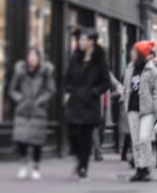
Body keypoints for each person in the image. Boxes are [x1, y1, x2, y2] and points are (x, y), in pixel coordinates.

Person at [64, 29, 111, 180]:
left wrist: (94, 92)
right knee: (72, 133)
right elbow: (67, 76)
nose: (80, 42)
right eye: (80, 40)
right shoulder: (75, 57)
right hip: (75, 101)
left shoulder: (100, 60)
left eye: (83, 40)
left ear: (91, 41)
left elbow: (106, 82)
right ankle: (79, 159)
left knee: (86, 137)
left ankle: (83, 167)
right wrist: (69, 89)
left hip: (90, 103)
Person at [10, 46, 55, 180]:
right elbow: (12, 89)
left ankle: (36, 166)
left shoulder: (45, 72)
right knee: (20, 139)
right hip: (23, 110)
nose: (32, 59)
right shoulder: (20, 72)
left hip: (38, 110)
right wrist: (20, 99)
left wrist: (41, 100)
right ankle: (23, 164)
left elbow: (51, 90)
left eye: (35, 56)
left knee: (37, 141)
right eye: (30, 56)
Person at [122, 40, 157, 182]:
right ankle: (139, 168)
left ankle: (146, 167)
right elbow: (126, 86)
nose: (131, 53)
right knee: (135, 141)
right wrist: (125, 101)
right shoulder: (129, 68)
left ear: (140, 54)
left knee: (144, 138)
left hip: (148, 110)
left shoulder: (154, 71)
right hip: (132, 109)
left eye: (134, 51)